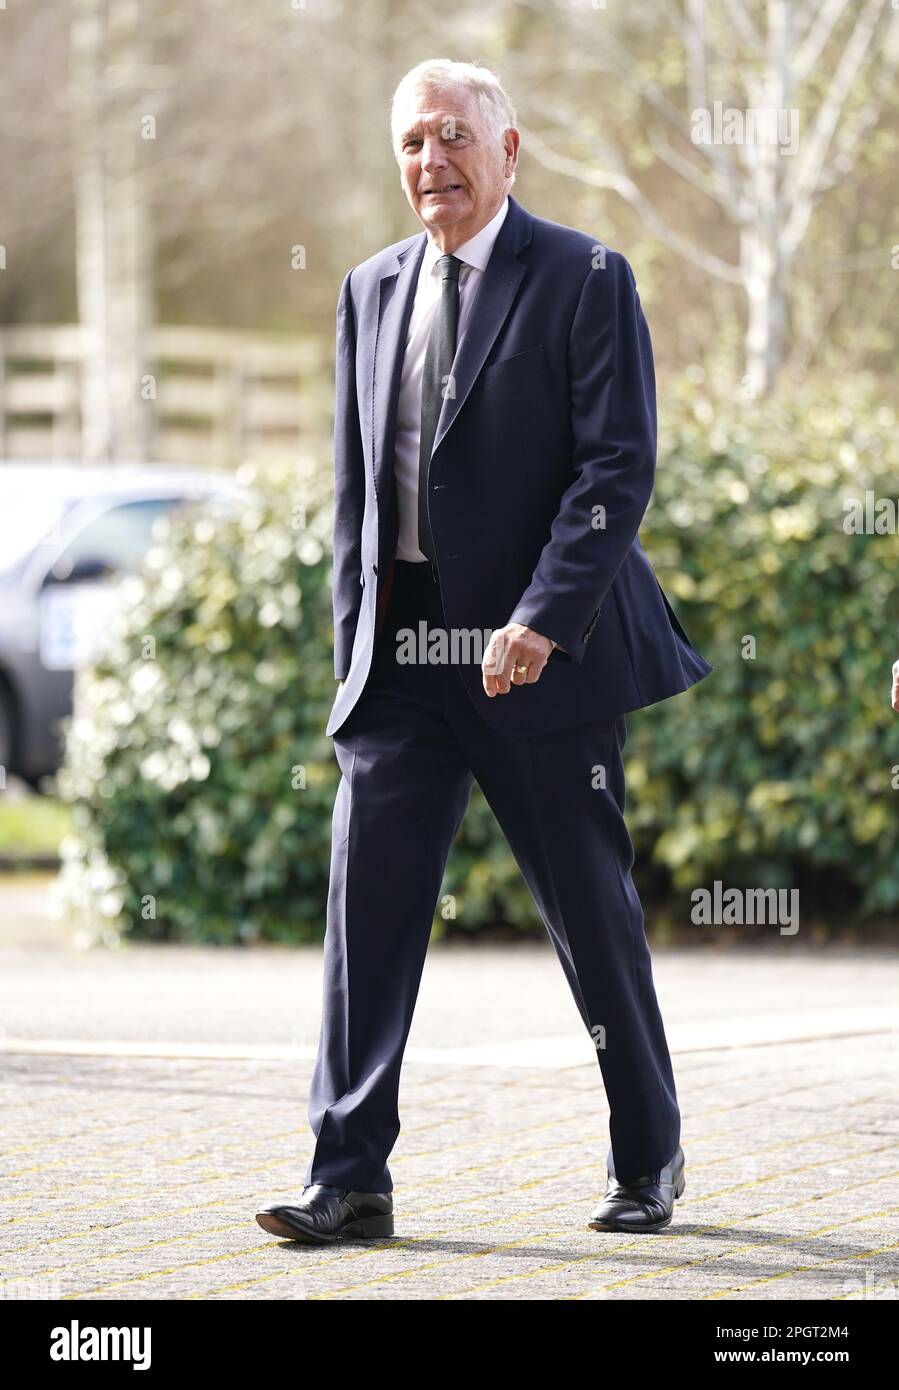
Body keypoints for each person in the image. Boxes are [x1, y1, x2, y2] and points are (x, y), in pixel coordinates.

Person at [257, 58, 712, 1246]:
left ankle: (645, 1153)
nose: (430, 162)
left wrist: (544, 619)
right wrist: (356, 653)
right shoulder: (367, 287)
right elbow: (357, 492)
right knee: (368, 919)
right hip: (403, 656)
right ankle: (348, 1174)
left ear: (508, 152)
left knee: (589, 914)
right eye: (411, 142)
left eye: (453, 136)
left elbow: (614, 471)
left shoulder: (582, 277)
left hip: (539, 655)